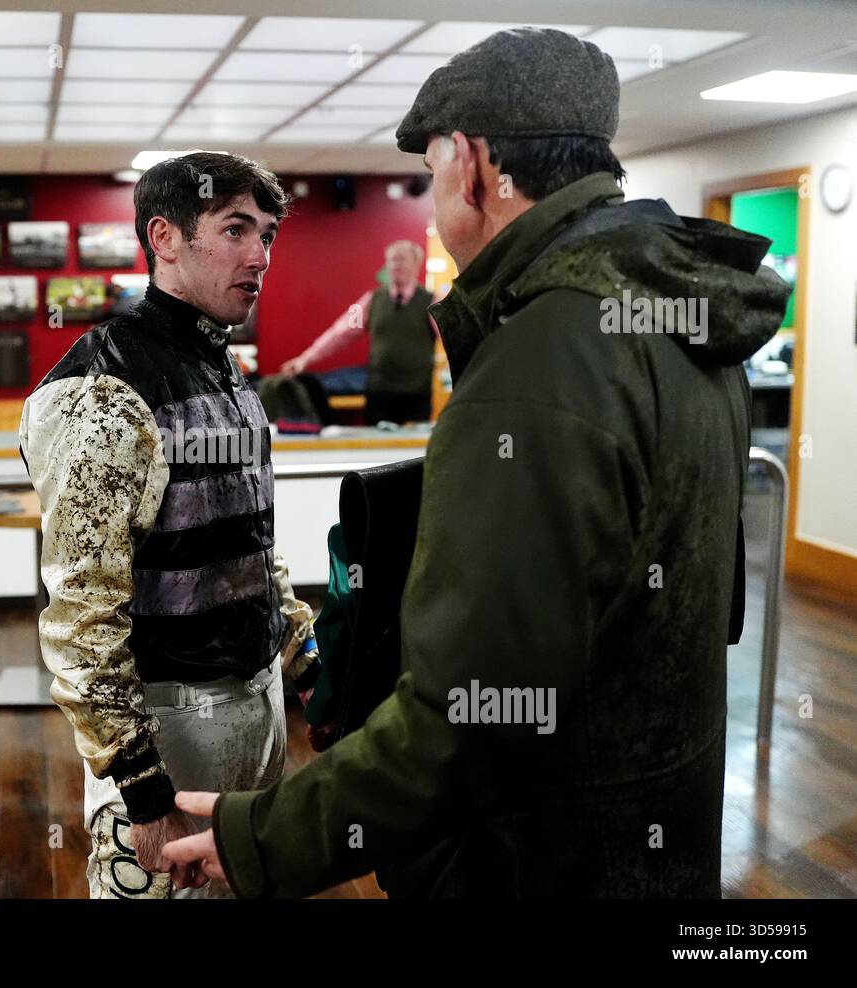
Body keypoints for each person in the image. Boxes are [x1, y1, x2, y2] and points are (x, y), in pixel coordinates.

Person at [163, 27, 789, 897]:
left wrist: (259, 838)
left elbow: (470, 717)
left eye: (428, 176)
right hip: (660, 836)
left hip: (544, 859)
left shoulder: (539, 366)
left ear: (473, 164)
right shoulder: (684, 316)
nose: (432, 206)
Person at [18, 152, 322, 899]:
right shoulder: (106, 385)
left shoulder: (221, 365)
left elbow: (250, 548)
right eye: (236, 229)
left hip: (257, 709)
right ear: (166, 237)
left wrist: (307, 659)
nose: (261, 256)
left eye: (269, 234)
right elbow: (83, 614)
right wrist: (143, 792)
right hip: (171, 731)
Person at [280, 240, 435, 424]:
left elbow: (453, 340)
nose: (395, 265)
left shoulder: (432, 301)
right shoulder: (371, 299)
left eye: (401, 259)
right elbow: (339, 333)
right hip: (379, 394)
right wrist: (304, 360)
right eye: (391, 260)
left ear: (416, 263)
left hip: (417, 395)